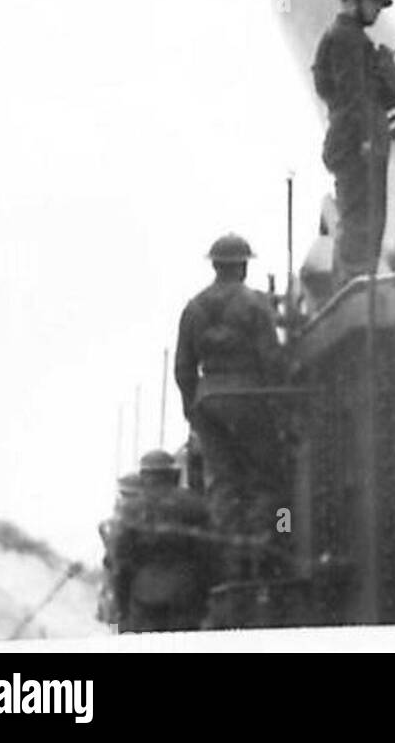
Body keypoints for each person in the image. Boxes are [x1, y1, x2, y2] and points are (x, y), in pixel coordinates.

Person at [174, 234, 286, 577]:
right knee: (264, 478)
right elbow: (271, 358)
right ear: (242, 266)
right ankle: (269, 545)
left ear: (215, 265)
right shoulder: (255, 305)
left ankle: (229, 559)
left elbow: (182, 367)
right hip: (248, 397)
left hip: (209, 399)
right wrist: (278, 403)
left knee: (222, 482)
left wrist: (193, 408)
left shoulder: (193, 307)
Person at [311, 0, 395, 282]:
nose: (378, 12)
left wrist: (385, 66)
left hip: (361, 140)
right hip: (358, 143)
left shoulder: (354, 40)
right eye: (374, 4)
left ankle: (357, 278)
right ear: (354, 0)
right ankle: (355, 282)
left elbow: (386, 95)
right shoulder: (345, 38)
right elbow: (351, 96)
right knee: (362, 218)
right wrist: (364, 140)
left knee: (369, 216)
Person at [108, 451, 212, 632]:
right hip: (188, 596)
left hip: (144, 598)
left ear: (144, 476)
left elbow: (120, 563)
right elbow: (209, 555)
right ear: (174, 475)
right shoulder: (195, 505)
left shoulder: (132, 510)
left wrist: (121, 609)